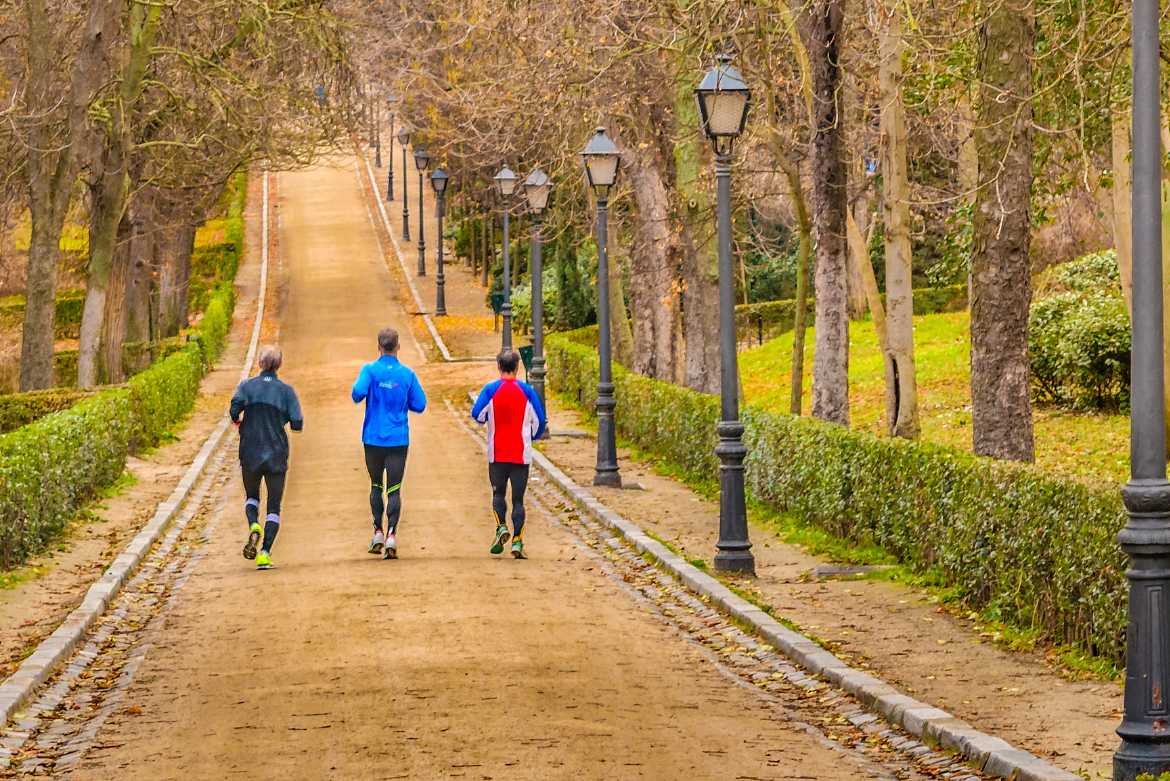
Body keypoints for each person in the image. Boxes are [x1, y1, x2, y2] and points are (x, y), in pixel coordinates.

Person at [352, 327, 427, 559]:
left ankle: (377, 531)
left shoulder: (370, 370)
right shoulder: (407, 375)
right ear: (397, 347)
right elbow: (420, 405)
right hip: (398, 439)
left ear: (379, 346)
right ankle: (392, 535)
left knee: (376, 486)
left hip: (373, 438)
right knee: (394, 489)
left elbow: (357, 393)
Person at [230, 346, 303, 571]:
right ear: (278, 365)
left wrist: (240, 422)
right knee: (274, 505)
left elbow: (234, 410)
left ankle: (254, 524)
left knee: (252, 497)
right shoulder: (286, 392)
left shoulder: (246, 386)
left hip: (250, 449)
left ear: (260, 364)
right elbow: (297, 423)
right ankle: (264, 553)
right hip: (276, 452)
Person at [471, 350, 547, 559]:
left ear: (498, 366)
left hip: (497, 452)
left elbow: (477, 415)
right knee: (519, 500)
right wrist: (532, 435)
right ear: (517, 367)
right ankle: (517, 541)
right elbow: (540, 421)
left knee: (498, 495)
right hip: (520, 453)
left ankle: (501, 527)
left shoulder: (490, 390)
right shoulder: (528, 391)